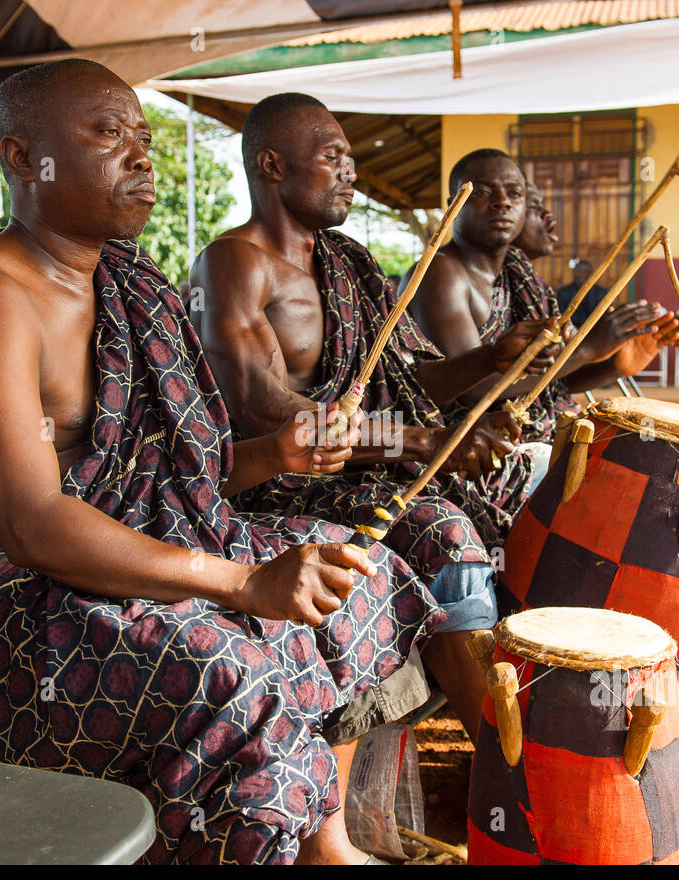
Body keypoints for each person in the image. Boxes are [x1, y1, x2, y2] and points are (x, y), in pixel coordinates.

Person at [0, 59, 442, 865]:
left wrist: (274, 453)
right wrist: (241, 582)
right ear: (20, 156)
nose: (142, 156)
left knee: (365, 580)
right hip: (10, 605)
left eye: (143, 136)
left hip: (124, 547)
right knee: (235, 664)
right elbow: (34, 524)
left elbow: (172, 478)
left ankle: (327, 844)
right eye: (109, 133)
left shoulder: (126, 282)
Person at [192, 92, 537, 741]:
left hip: (359, 472)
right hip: (271, 485)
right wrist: (419, 440)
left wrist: (492, 358)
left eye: (351, 158)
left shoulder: (344, 263)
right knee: (444, 528)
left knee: (487, 507)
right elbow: (263, 405)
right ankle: (497, 751)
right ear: (270, 165)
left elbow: (404, 380)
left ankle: (500, 731)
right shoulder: (231, 262)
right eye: (333, 157)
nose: (350, 170)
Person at [409, 150, 679, 457]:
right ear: (453, 206)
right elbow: (476, 390)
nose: (503, 202)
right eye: (483, 192)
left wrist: (613, 364)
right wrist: (585, 348)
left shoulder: (517, 271)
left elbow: (550, 383)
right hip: (464, 450)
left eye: (514, 193)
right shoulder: (441, 272)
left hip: (528, 437)